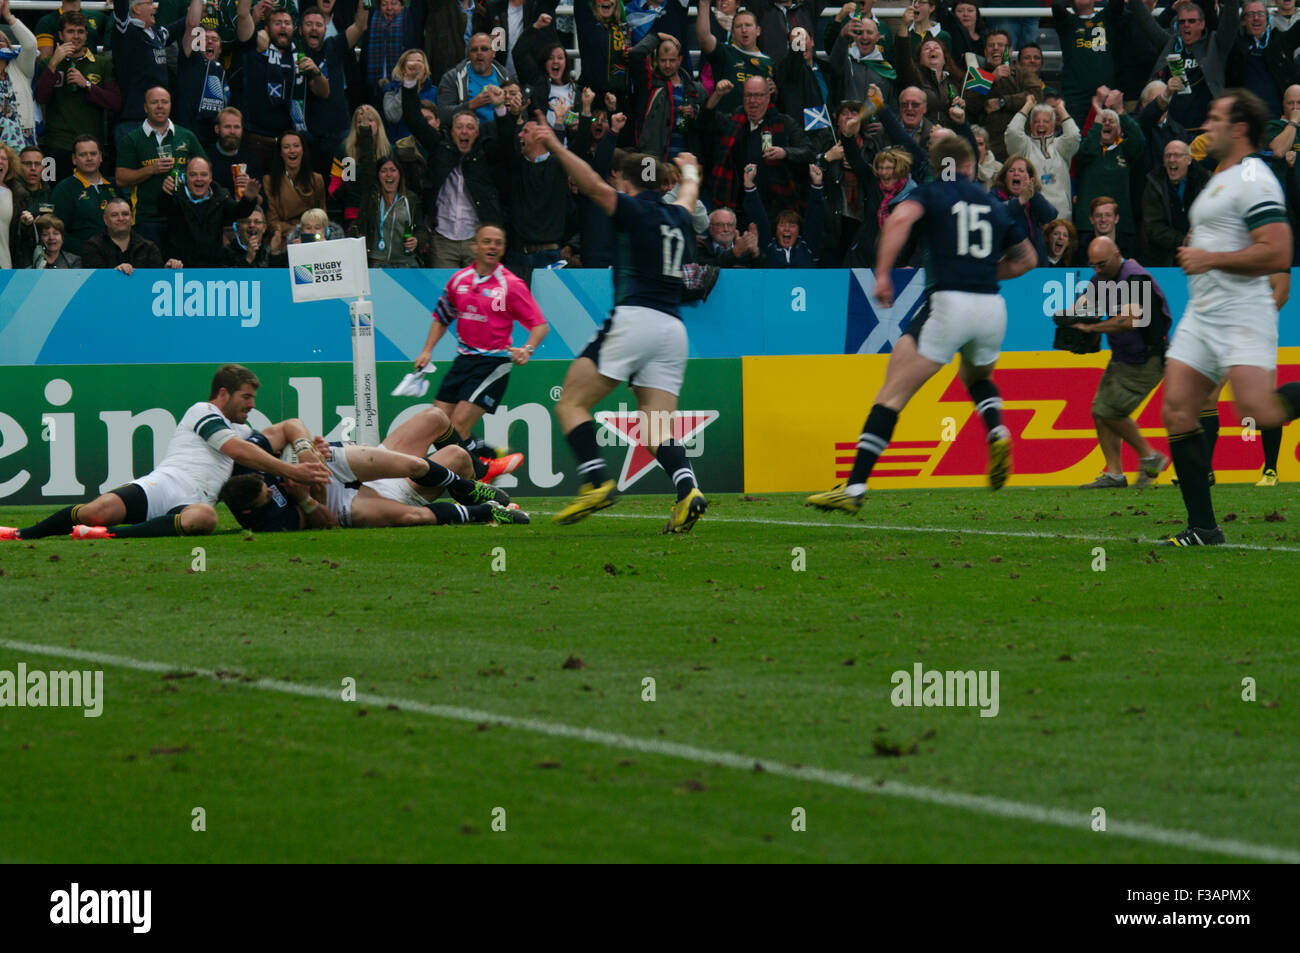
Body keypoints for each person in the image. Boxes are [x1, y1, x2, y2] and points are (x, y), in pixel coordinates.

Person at [807, 135, 1034, 513]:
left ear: (937, 163)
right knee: (976, 378)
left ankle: (855, 487)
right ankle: (997, 430)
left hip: (949, 302)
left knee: (891, 395)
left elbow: (899, 218)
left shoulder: (931, 193)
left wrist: (882, 274)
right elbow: (1027, 259)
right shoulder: (993, 204)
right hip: (992, 307)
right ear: (971, 165)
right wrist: (984, 269)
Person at [524, 121, 707, 532]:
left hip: (636, 317)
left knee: (571, 402)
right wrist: (691, 168)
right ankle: (688, 489)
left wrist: (554, 144)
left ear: (627, 182)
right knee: (655, 424)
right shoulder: (678, 214)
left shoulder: (633, 208)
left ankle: (596, 482)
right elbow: (690, 190)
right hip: (673, 329)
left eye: (620, 179)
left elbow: (589, 184)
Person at [1158, 90, 1300, 546]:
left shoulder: (1256, 177)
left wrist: (1209, 259)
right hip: (1203, 312)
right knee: (1178, 408)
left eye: (1216, 118)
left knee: (1258, 410)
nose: (1206, 125)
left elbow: (1277, 250)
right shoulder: (1223, 174)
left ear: (1239, 129)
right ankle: (1204, 527)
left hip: (1241, 309)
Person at [0, 365, 331, 541]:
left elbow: (289, 426)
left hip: (194, 502)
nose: (252, 405)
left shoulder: (242, 431)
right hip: (163, 486)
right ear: (223, 393)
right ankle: (21, 534)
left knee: (206, 518)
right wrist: (293, 472)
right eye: (246, 397)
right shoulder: (201, 411)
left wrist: (306, 451)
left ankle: (106, 536)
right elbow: (236, 451)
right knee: (94, 510)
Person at [219, 411, 527, 531]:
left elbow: (289, 426)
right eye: (269, 494)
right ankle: (485, 509)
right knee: (452, 463)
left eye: (268, 483)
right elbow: (326, 524)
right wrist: (305, 499)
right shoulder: (269, 522)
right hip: (343, 501)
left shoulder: (245, 467)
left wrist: (304, 450)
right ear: (249, 512)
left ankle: (474, 483)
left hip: (335, 466)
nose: (276, 487)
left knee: (434, 420)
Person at [414, 222, 549, 482]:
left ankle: (478, 476)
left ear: (503, 249)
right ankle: (486, 455)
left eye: (497, 243)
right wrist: (427, 350)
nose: (492, 246)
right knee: (437, 426)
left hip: (494, 362)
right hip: (464, 359)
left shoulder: (511, 284)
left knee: (458, 427)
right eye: (487, 241)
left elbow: (540, 325)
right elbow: (442, 316)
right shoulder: (459, 280)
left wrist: (527, 349)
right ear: (474, 246)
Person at [1065, 237, 1174, 489]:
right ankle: (1114, 473)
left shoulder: (1136, 278)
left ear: (1117, 255)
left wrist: (1092, 327)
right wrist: (1069, 316)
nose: (1097, 270)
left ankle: (1150, 456)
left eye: (1101, 264)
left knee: (1109, 411)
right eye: (1093, 265)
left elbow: (1129, 320)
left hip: (1147, 358)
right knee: (1100, 412)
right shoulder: (1100, 278)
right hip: (1124, 356)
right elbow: (1084, 304)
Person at [401, 73, 509, 268]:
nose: (464, 132)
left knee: (477, 295)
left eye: (469, 128)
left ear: (477, 133)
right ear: (451, 132)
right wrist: (409, 84)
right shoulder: (439, 147)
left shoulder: (485, 153)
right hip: (443, 239)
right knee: (444, 293)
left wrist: (500, 107)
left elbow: (507, 140)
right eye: (459, 127)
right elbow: (414, 120)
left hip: (477, 240)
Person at [235, 1, 331, 166]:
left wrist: (316, 72)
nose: (283, 27)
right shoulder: (255, 48)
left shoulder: (301, 54)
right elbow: (243, 16)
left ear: (293, 28)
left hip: (289, 145)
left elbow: (324, 92)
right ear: (267, 28)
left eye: (287, 23)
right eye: (277, 23)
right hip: (257, 141)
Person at [115, 86, 208, 249]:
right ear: (145, 107)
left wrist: (187, 178)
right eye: (154, 102)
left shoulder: (186, 136)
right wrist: (151, 170)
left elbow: (206, 169)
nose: (160, 106)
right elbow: (121, 179)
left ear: (170, 105)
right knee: (150, 270)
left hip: (182, 216)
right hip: (146, 219)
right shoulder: (132, 139)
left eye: (164, 102)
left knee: (179, 269)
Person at [707, 75, 813, 217]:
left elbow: (809, 151)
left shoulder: (784, 123)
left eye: (758, 95)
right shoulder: (732, 123)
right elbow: (705, 121)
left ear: (768, 97)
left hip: (777, 207)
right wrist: (717, 95)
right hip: (738, 207)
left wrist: (785, 153)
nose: (752, 101)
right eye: (748, 95)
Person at [1128, 0, 1240, 134]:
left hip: (1206, 131)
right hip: (1173, 131)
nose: (1186, 25)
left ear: (1202, 24)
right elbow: (1146, 22)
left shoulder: (1215, 45)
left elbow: (1231, 21)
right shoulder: (1170, 44)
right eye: (1182, 22)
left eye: (1191, 21)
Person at [35, 11, 121, 180]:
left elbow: (115, 102)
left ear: (87, 34)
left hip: (91, 147)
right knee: (53, 196)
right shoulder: (48, 63)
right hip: (56, 145)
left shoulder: (102, 63)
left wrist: (87, 85)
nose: (76, 36)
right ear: (60, 35)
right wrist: (53, 64)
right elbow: (41, 98)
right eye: (70, 31)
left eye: (80, 31)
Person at [110, 0, 196, 153]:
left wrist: (199, 9)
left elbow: (182, 24)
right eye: (149, 3)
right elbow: (121, 8)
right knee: (133, 174)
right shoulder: (126, 32)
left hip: (158, 120)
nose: (155, 7)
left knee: (159, 173)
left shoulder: (156, 34)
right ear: (136, 9)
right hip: (134, 121)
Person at [1073, 93, 1145, 253]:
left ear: (1119, 130)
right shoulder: (1088, 149)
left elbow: (1139, 140)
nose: (1106, 124)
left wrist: (1121, 112)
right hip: (1088, 225)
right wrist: (1098, 120)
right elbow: (1085, 151)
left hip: (1121, 226)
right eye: (1103, 121)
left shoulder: (1125, 150)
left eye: (1111, 122)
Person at [159, 154, 260, 267]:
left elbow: (239, 212)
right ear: (186, 177)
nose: (199, 179)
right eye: (193, 175)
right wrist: (165, 193)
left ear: (210, 177)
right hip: (180, 269)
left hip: (212, 272)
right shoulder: (176, 195)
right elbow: (163, 208)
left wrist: (249, 199)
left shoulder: (221, 197)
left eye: (204, 174)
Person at [302, 2, 369, 165]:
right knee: (318, 185)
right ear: (300, 29)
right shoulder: (297, 53)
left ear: (325, 29)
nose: (314, 29)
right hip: (310, 138)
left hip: (341, 134)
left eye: (319, 25)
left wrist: (364, 2)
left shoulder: (334, 45)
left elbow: (360, 26)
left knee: (348, 179)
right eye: (308, 24)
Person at [352, 121, 424, 266]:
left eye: (393, 170)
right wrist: (366, 132)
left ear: (400, 174)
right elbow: (366, 165)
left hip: (405, 264)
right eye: (383, 171)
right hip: (376, 263)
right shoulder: (372, 197)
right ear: (378, 176)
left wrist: (417, 240)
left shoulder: (410, 199)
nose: (388, 175)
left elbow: (421, 230)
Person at [1005, 94, 1079, 223]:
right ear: (1030, 124)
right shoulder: (1024, 146)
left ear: (1054, 124)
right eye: (1036, 121)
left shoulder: (1060, 146)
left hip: (1061, 218)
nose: (1041, 125)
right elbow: (1012, 132)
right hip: (1033, 218)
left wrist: (1061, 109)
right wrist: (1027, 106)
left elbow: (1074, 135)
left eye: (1046, 121)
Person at [742, 160, 825, 266]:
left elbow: (815, 219)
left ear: (799, 230)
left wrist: (817, 185)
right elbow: (759, 218)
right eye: (782, 225)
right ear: (776, 230)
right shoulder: (768, 248)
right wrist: (749, 184)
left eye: (792, 225)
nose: (787, 229)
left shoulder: (808, 247)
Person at [1142, 137, 1208, 266]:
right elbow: (1153, 227)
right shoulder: (1154, 184)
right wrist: (1182, 240)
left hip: (1201, 254)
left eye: (1176, 155)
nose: (1171, 160)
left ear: (1188, 159)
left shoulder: (1204, 181)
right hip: (1164, 258)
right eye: (1168, 156)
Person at [696, 5, 773, 115]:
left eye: (748, 25)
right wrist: (704, 3)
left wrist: (775, 91)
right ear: (732, 33)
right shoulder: (724, 52)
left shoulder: (769, 62)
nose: (744, 30)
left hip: (757, 126)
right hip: (729, 125)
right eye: (738, 26)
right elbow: (704, 37)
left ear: (758, 31)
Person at [51, 134, 119, 256]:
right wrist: (87, 251)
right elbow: (57, 231)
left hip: (114, 258)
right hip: (79, 260)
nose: (89, 158)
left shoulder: (113, 187)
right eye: (83, 155)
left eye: (93, 154)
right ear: (74, 159)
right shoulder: (64, 189)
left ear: (101, 157)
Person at [1050, 0, 1114, 125]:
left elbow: (1117, 4)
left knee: (1105, 142)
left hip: (1107, 96)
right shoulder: (1067, 23)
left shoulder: (1106, 17)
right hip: (1076, 99)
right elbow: (1057, 5)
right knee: (1077, 141)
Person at [81, 195, 180, 271]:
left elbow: (156, 281)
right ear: (105, 220)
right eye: (115, 215)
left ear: (131, 217)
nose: (121, 218)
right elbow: (93, 284)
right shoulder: (93, 246)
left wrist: (167, 271)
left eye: (125, 214)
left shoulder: (149, 247)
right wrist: (114, 275)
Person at [264, 130, 327, 242]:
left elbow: (322, 216)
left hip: (313, 236)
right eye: (286, 147)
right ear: (280, 153)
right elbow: (272, 221)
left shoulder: (317, 179)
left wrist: (309, 233)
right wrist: (298, 233)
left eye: (296, 146)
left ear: (303, 150)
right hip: (283, 238)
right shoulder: (269, 181)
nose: (292, 151)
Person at [436, 31, 511, 125]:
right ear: (468, 54)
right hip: (467, 135)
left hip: (500, 134)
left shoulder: (506, 77)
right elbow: (442, 115)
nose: (479, 53)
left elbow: (519, 115)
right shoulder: (452, 78)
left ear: (493, 53)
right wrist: (471, 105)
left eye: (484, 49)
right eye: (474, 50)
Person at [0, 0, 38, 149]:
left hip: (23, 143)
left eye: (2, 40)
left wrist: (8, 17)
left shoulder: (20, 67)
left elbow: (30, 45)